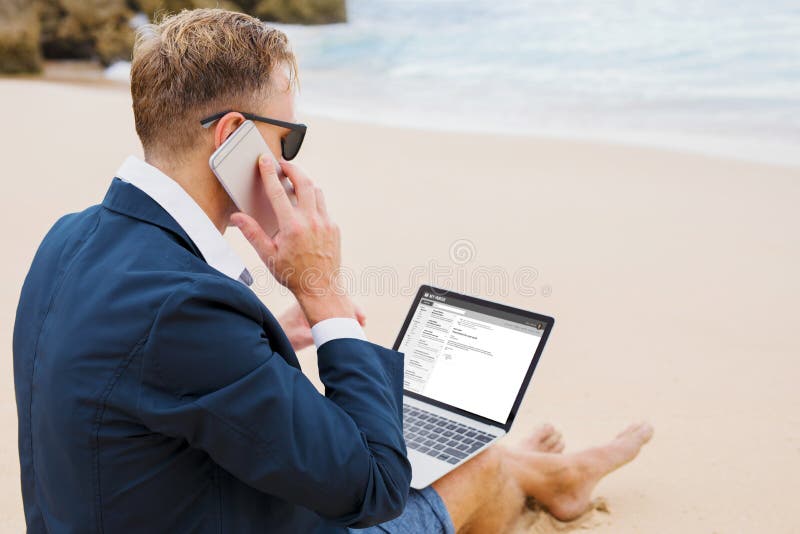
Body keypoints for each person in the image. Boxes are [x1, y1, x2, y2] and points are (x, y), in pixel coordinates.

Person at [12, 8, 652, 533]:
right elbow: (374, 488)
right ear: (232, 136)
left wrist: (264, 335)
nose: (291, 159)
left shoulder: (68, 240)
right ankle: (544, 478)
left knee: (450, 447)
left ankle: (528, 468)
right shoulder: (184, 312)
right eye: (288, 139)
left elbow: (150, 377)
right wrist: (323, 293)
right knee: (471, 468)